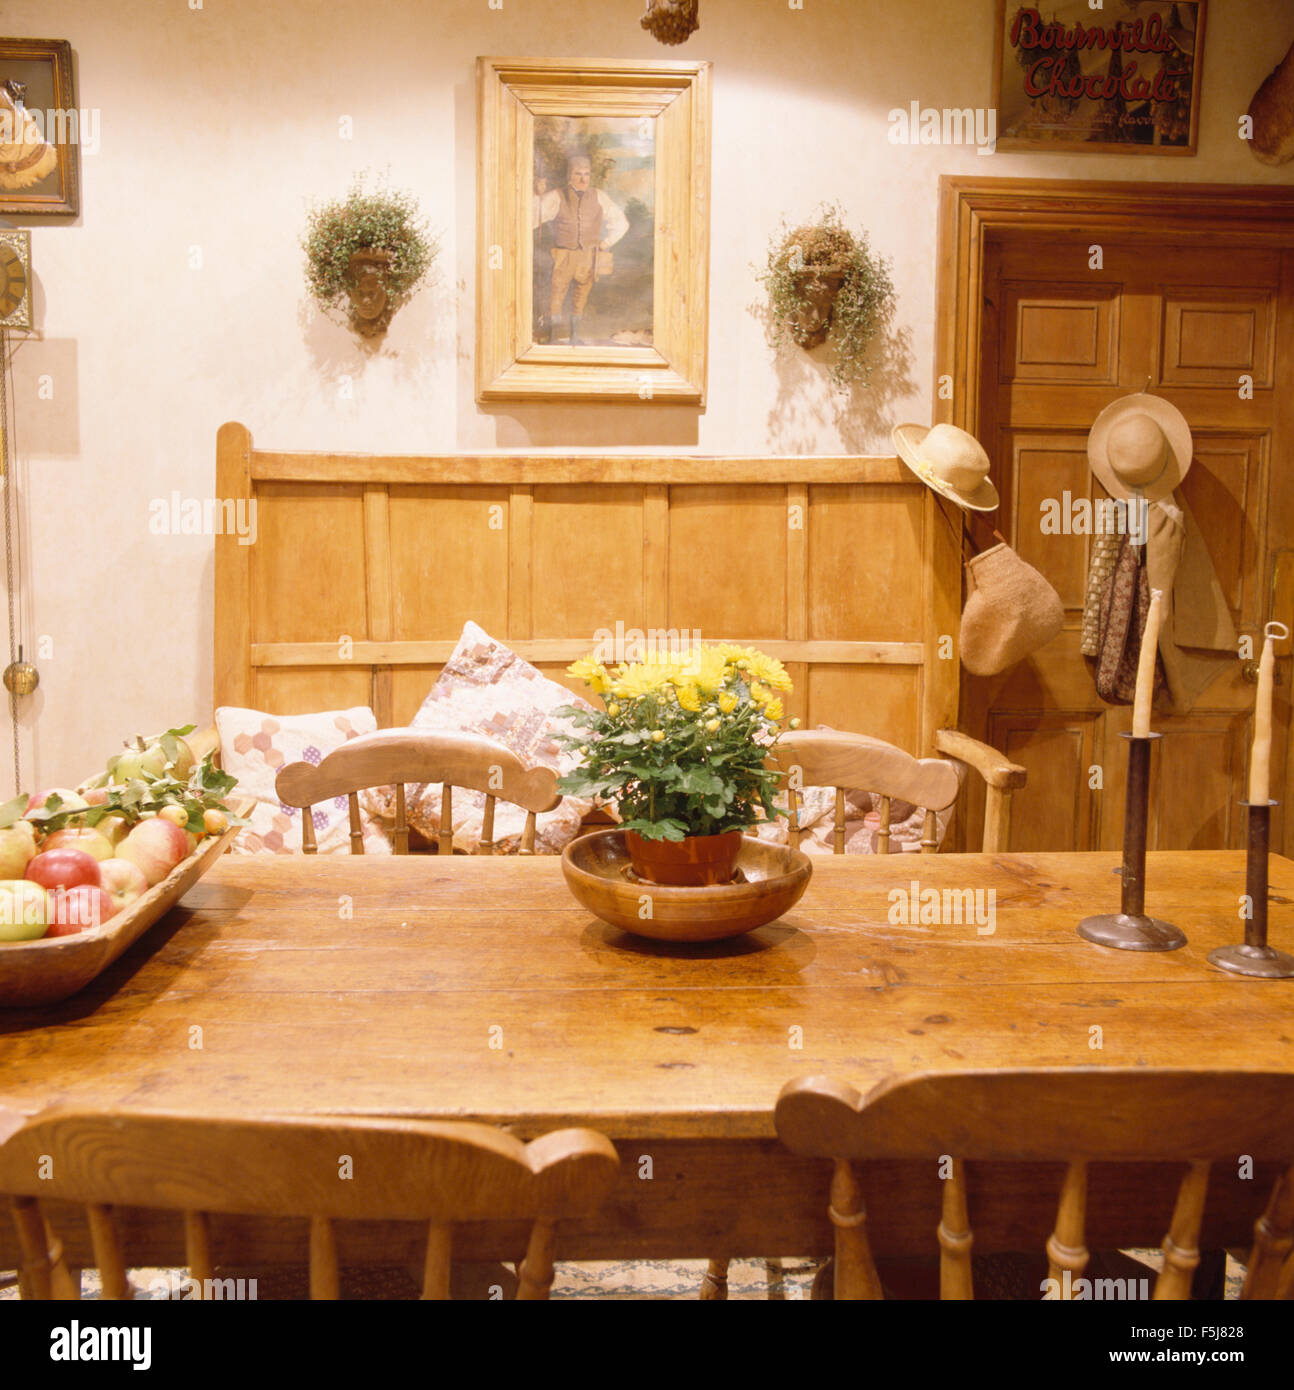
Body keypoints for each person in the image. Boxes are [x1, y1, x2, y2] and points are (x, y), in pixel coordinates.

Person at [533, 154, 629, 345]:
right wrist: (537, 195)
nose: (583, 179)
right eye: (578, 174)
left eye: (587, 174)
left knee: (581, 297)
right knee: (556, 296)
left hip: (588, 256)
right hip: (563, 255)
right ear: (569, 176)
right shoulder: (557, 196)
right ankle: (553, 338)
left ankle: (574, 337)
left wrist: (605, 243)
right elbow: (533, 217)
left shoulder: (599, 196)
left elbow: (621, 223)